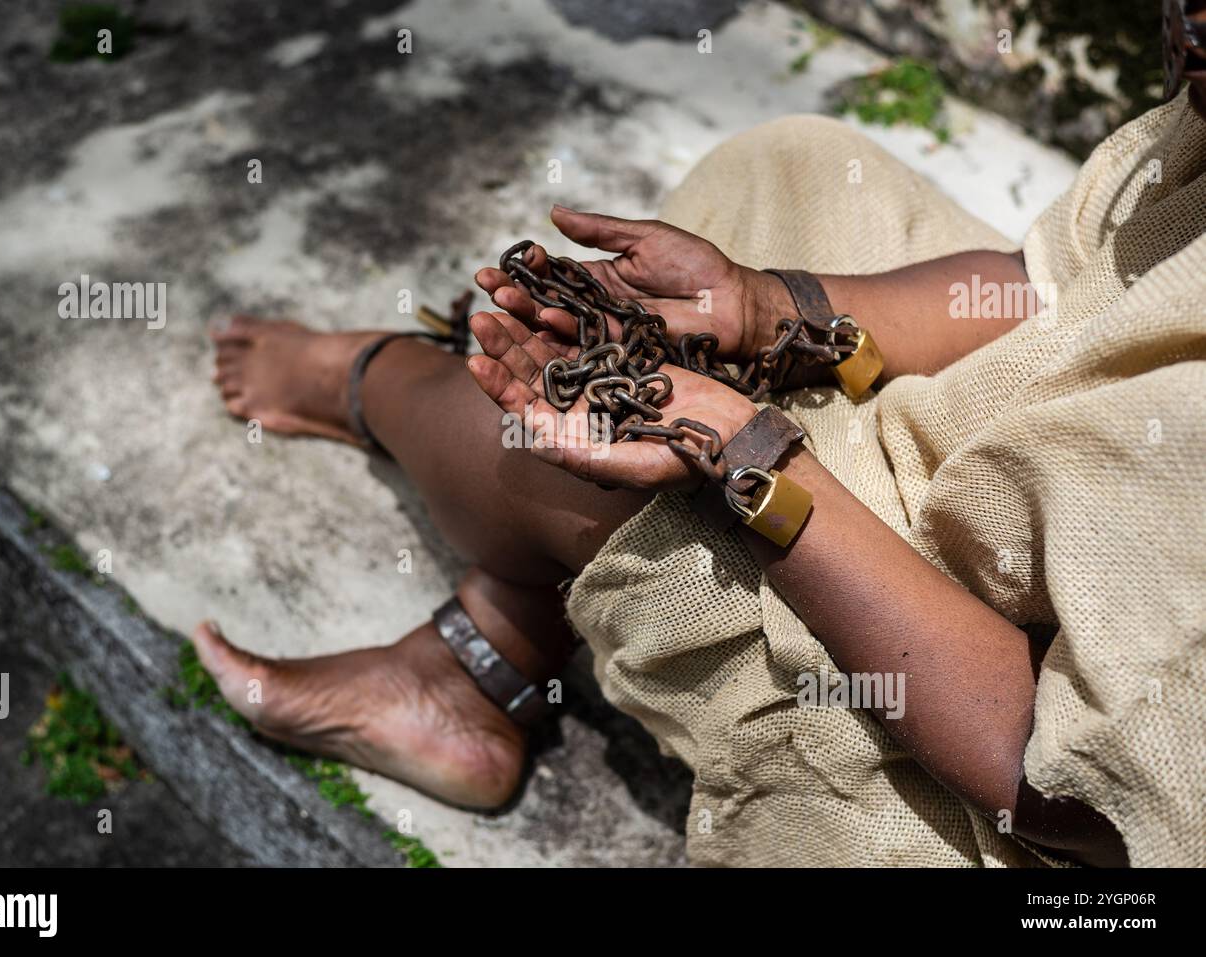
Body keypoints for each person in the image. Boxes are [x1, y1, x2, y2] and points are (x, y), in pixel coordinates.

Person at [192, 10, 1206, 866]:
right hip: (1029, 456)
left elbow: (1067, 801)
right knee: (793, 170)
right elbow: (1053, 282)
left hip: (984, 728)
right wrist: (770, 312)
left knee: (553, 451)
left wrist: (747, 454)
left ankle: (370, 385)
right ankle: (490, 647)